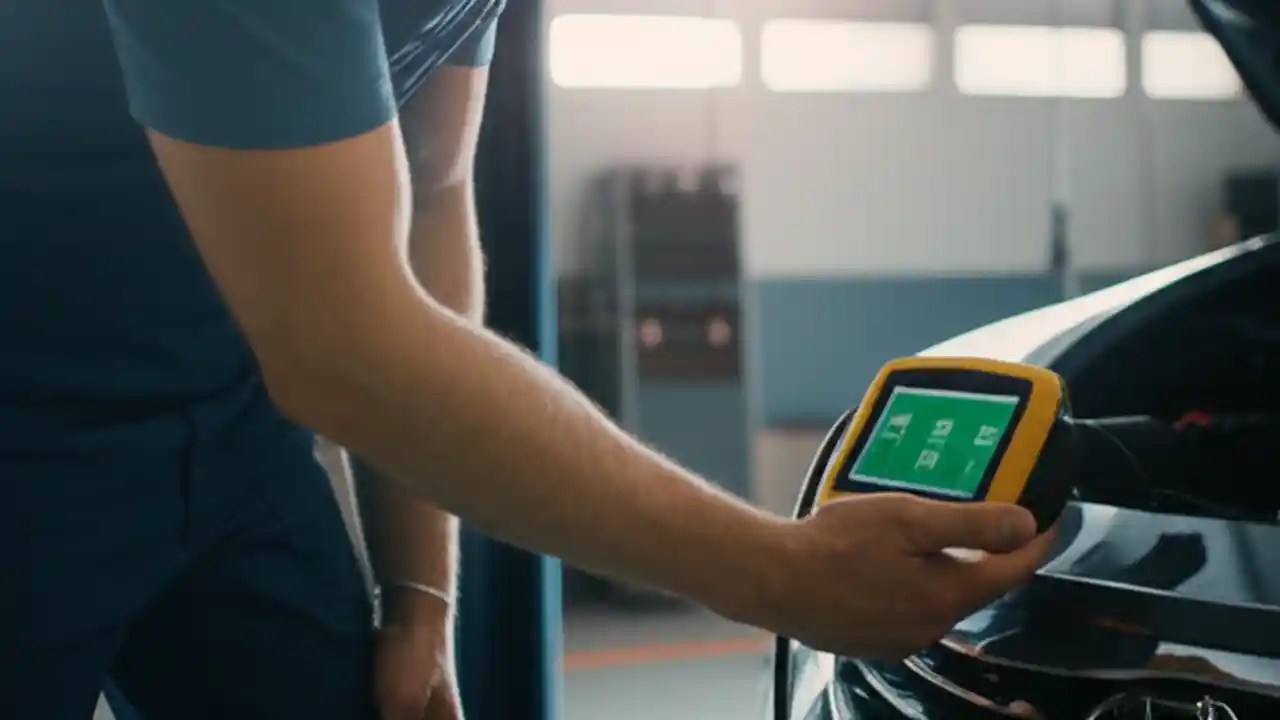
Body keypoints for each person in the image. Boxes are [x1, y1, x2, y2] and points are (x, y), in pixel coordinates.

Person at [0, 1, 1056, 718]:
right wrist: (779, 575)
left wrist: (422, 601)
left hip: (225, 422)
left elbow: (435, 186)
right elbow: (342, 349)